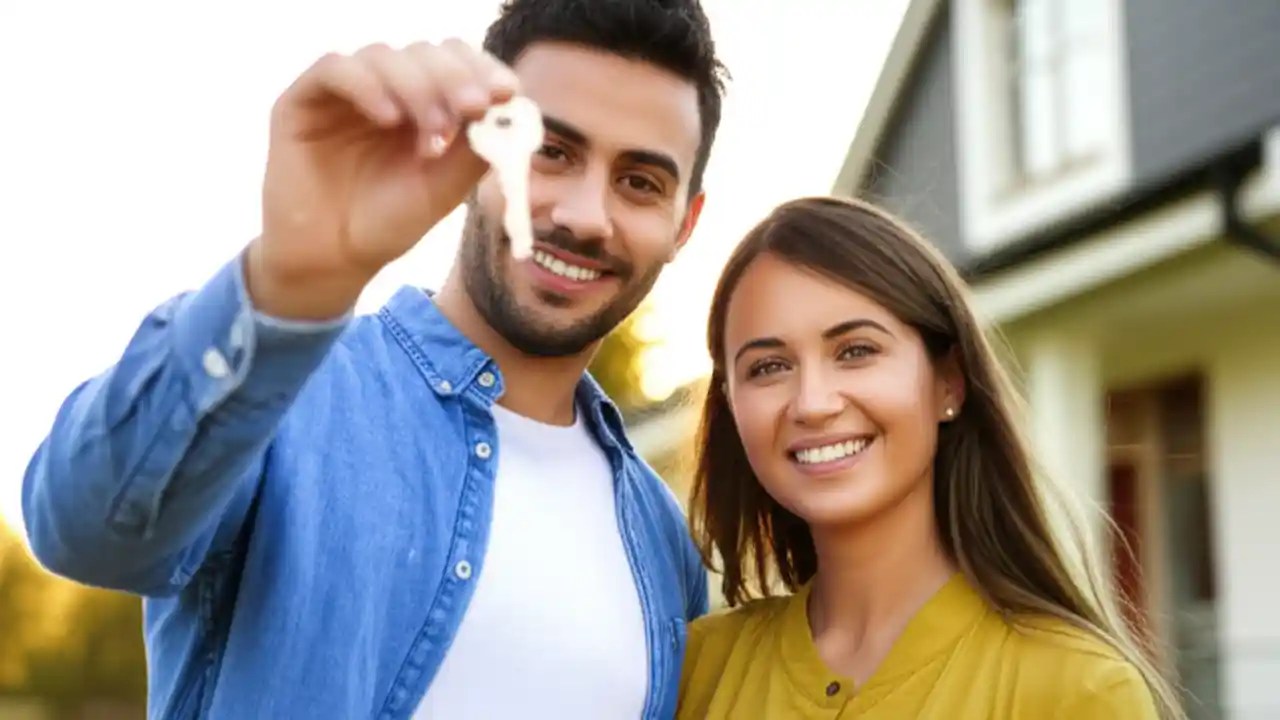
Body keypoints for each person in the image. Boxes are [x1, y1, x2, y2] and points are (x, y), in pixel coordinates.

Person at [21, 1, 728, 717]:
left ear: (684, 224)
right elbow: (84, 529)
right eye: (550, 151)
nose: (583, 214)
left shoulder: (662, 542)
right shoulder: (283, 398)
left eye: (640, 181)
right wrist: (289, 279)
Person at [675, 196, 1185, 719]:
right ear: (732, 407)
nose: (812, 403)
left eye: (856, 351)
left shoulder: (1077, 688)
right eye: (768, 367)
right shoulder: (697, 670)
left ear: (950, 380)